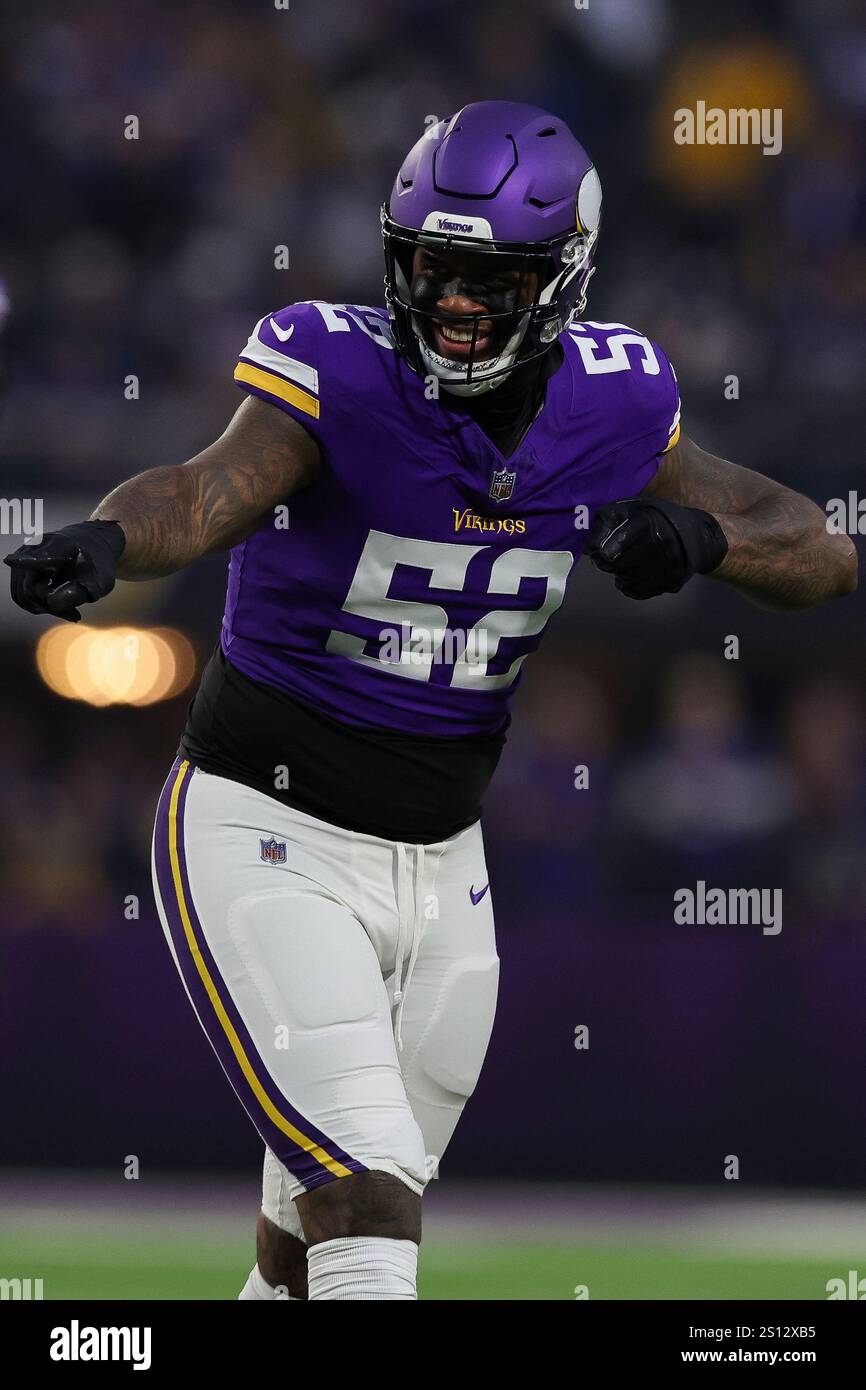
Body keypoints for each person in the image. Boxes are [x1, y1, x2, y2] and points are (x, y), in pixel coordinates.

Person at [6, 101, 856, 1301]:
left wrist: (701, 536)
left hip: (443, 863)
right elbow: (203, 491)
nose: (453, 299)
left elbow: (819, 549)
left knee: (304, 1258)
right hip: (264, 829)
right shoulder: (336, 366)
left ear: (560, 278)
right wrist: (109, 538)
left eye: (488, 275)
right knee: (367, 1204)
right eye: (431, 263)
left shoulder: (614, 400)